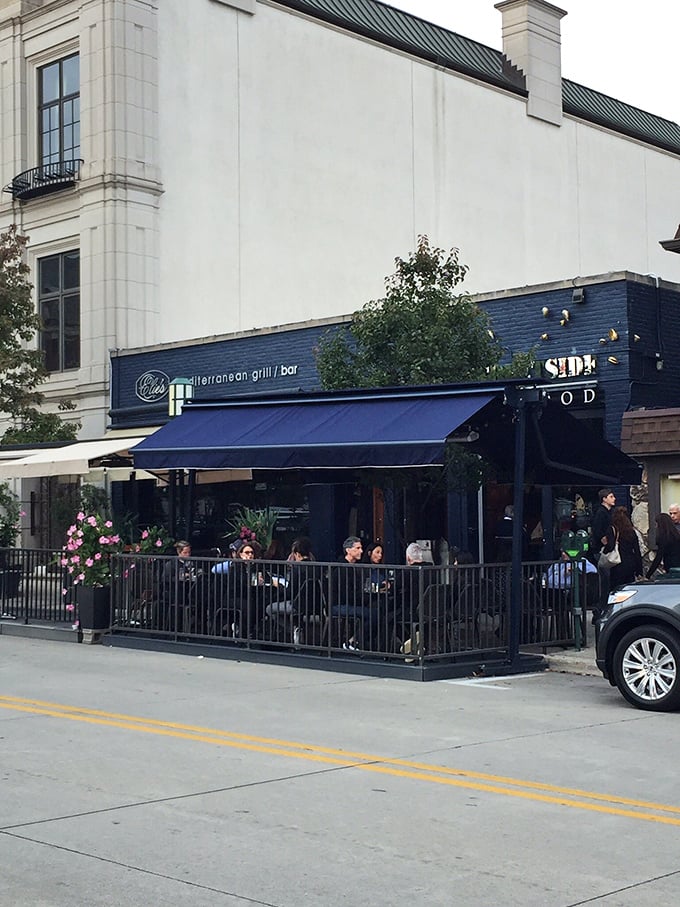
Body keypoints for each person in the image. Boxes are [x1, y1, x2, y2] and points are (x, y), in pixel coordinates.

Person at [329, 536, 369, 651]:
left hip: (347, 602)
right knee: (372, 614)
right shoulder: (342, 568)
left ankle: (356, 640)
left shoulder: (349, 567)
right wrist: (366, 598)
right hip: (339, 605)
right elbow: (346, 594)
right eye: (358, 548)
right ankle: (354, 641)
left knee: (373, 612)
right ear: (348, 550)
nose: (361, 551)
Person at [590, 488, 617, 618]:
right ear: (604, 499)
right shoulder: (602, 513)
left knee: (606, 578)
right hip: (602, 550)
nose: (614, 499)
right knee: (605, 579)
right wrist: (603, 538)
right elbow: (597, 530)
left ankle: (602, 607)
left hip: (603, 548)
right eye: (611, 496)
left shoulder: (607, 512)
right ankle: (601, 607)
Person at [609, 506, 643, 588]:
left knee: (616, 588)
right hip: (630, 563)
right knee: (629, 587)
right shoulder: (631, 531)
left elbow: (609, 547)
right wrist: (639, 570)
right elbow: (637, 551)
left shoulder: (613, 530)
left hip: (617, 563)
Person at [646, 513, 680, 578]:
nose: (656, 527)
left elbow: (658, 557)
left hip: (671, 568)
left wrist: (648, 575)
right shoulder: (676, 536)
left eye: (656, 524)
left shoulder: (663, 539)